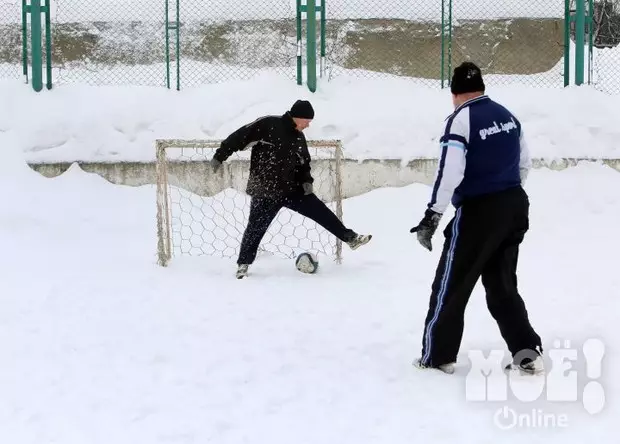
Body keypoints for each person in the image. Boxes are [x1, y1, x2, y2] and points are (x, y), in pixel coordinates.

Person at [409, 62, 543, 375]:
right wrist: (505, 196)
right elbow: (525, 164)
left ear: (454, 93)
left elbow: (450, 172)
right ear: (481, 88)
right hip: (514, 206)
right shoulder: (508, 116)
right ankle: (526, 351)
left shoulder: (460, 120)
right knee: (502, 284)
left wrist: (433, 215)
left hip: (479, 212)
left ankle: (436, 356)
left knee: (451, 285)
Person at [211, 99, 372, 279]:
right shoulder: (268, 124)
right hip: (265, 190)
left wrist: (306, 181)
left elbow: (304, 163)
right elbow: (239, 136)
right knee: (255, 228)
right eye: (307, 121)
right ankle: (243, 264)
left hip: (293, 190)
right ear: (299, 117)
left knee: (321, 212)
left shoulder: (299, 138)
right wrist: (220, 155)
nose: (309, 125)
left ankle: (350, 238)